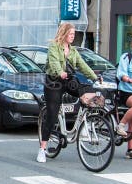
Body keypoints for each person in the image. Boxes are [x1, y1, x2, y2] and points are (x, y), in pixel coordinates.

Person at [37, 23, 98, 163]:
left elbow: (82, 65)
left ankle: (83, 124)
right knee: (52, 115)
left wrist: (94, 76)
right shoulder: (54, 46)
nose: (73, 36)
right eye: (70, 34)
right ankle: (42, 149)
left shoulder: (73, 50)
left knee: (87, 91)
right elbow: (53, 62)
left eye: (74, 34)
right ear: (64, 33)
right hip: (53, 82)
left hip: (68, 80)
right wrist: (60, 72)